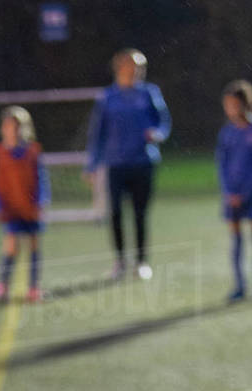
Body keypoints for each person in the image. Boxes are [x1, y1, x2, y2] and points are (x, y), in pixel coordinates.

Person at [85, 49, 171, 280]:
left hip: (143, 162)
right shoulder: (107, 97)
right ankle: (120, 261)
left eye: (138, 67)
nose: (134, 71)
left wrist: (158, 134)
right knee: (115, 214)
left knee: (140, 214)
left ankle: (142, 262)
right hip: (116, 164)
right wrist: (92, 164)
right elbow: (97, 133)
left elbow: (163, 122)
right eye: (129, 66)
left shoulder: (149, 93)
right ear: (119, 67)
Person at [216, 80, 252, 302]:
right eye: (227, 105)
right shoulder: (227, 133)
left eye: (234, 104)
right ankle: (240, 286)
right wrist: (229, 191)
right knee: (236, 241)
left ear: (245, 104)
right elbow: (221, 165)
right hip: (231, 196)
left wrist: (245, 193)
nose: (230, 109)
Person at [0, 106, 50, 303]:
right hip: (11, 208)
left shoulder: (32, 151)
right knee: (11, 247)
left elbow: (41, 178)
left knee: (33, 246)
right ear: (3, 128)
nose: (13, 130)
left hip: (30, 206)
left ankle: (34, 287)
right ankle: (2, 285)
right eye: (9, 126)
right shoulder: (0, 153)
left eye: (17, 126)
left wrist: (41, 202)